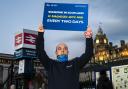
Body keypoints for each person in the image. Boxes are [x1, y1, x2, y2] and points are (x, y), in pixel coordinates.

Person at [36, 25, 93, 89]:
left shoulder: (75, 64)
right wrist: (40, 34)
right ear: (56, 52)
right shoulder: (50, 64)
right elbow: (40, 52)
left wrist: (88, 37)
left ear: (68, 52)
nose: (62, 50)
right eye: (59, 49)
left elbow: (88, 54)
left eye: (65, 48)